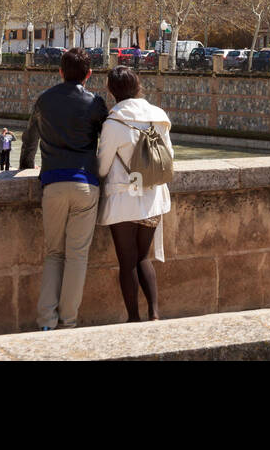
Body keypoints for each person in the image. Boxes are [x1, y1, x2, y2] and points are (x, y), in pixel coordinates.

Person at [19, 47, 109, 331]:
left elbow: (30, 135)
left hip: (53, 183)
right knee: (77, 256)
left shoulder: (45, 100)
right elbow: (107, 140)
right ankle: (68, 322)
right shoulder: (95, 102)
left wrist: (25, 163)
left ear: (59, 72)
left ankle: (46, 321)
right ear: (89, 75)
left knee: (53, 253)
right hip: (85, 183)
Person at [98, 66, 174, 323]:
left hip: (123, 200)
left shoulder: (114, 122)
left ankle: (133, 318)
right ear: (138, 85)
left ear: (111, 90)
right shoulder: (159, 115)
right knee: (144, 257)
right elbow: (169, 157)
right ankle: (154, 312)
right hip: (154, 197)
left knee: (127, 260)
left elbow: (102, 166)